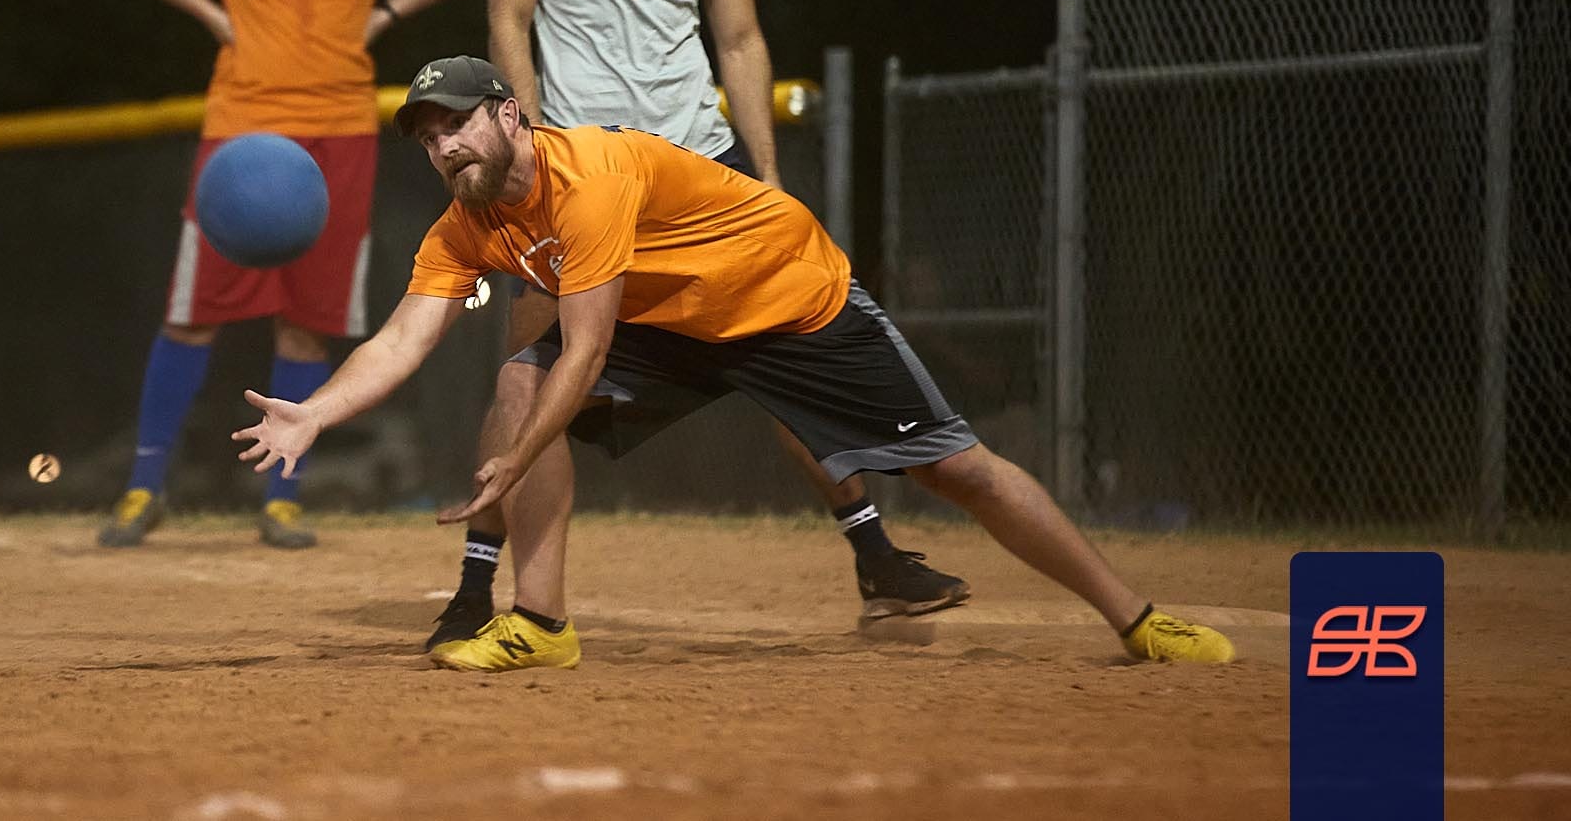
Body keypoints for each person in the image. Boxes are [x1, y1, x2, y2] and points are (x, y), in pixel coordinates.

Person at [234, 56, 1236, 671]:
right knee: (513, 379)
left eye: (458, 119)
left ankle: (1135, 619)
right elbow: (405, 335)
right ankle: (539, 622)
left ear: (510, 115)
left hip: (786, 300)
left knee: (951, 469)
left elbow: (585, 345)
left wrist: (519, 455)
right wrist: (317, 412)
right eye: (427, 134)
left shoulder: (586, 180)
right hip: (672, 319)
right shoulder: (466, 225)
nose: (446, 143)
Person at [421, 0, 966, 650]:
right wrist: (531, 154)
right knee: (523, 373)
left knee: (776, 347)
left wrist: (764, 172)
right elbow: (508, 16)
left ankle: (874, 553)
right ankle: (476, 583)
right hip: (577, 163)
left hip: (692, 159)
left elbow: (741, 37)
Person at [96, 0, 483, 550]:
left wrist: (390, 16)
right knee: (192, 313)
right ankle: (143, 485)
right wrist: (208, 15)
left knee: (308, 320)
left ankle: (283, 494)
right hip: (242, 123)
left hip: (340, 122)